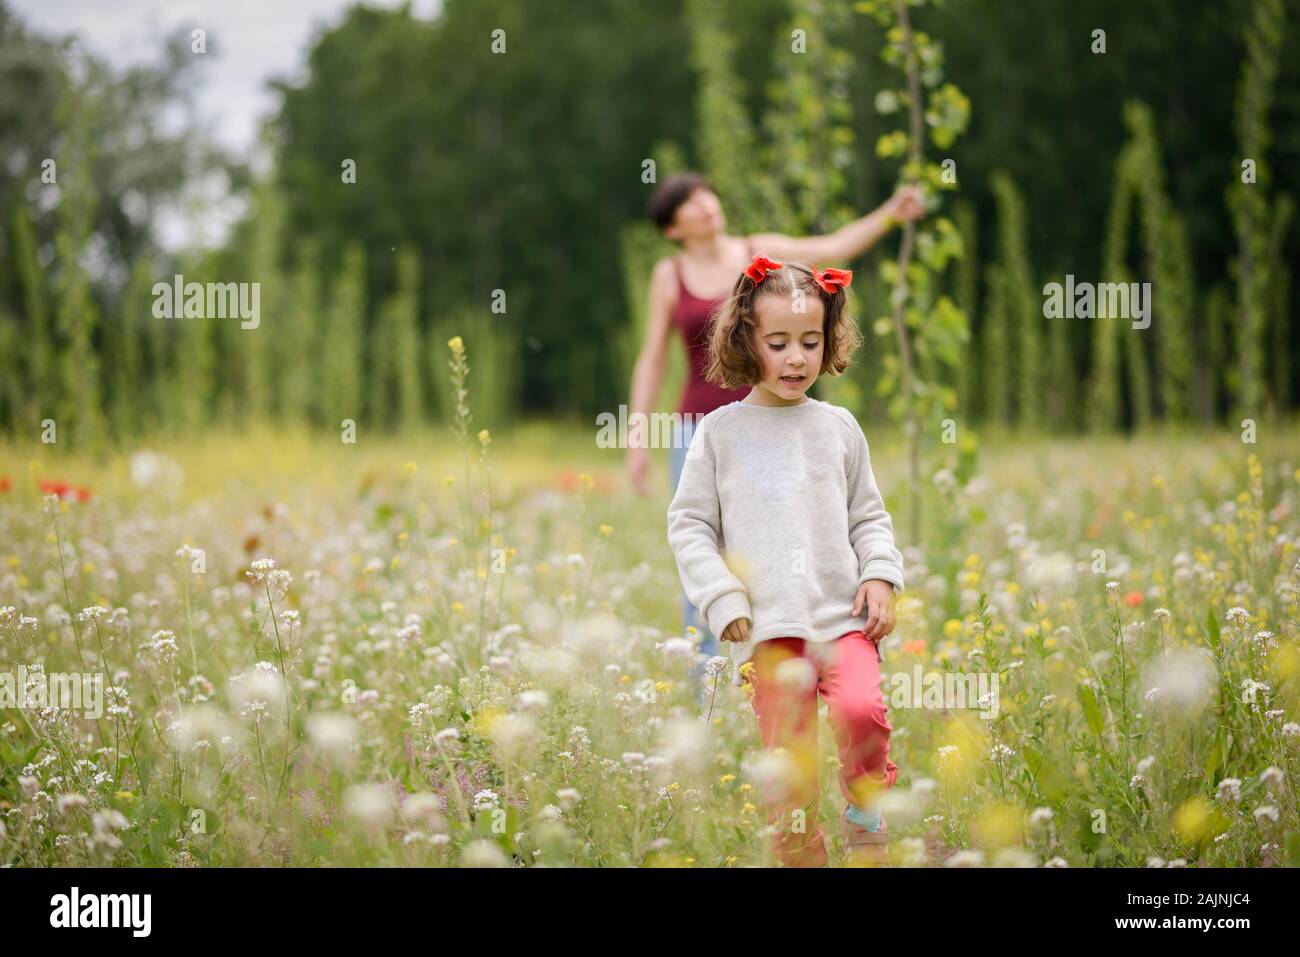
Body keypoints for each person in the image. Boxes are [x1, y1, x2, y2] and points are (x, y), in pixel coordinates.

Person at [628, 171, 921, 678]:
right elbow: (653, 357)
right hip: (701, 427)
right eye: (686, 204)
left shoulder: (757, 251)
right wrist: (636, 439)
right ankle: (712, 690)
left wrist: (891, 212)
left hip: (780, 418)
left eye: (704, 193)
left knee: (783, 544)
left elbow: (832, 247)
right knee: (706, 560)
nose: (703, 205)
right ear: (672, 228)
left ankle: (801, 661)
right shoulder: (668, 274)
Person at [666, 255, 905, 867]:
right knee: (790, 778)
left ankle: (865, 810)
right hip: (769, 631)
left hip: (842, 618)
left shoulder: (839, 428)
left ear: (830, 340)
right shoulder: (720, 434)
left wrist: (879, 574)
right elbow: (690, 523)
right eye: (779, 343)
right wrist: (723, 598)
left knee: (862, 711)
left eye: (811, 341)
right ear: (747, 341)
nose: (797, 358)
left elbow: (868, 516)